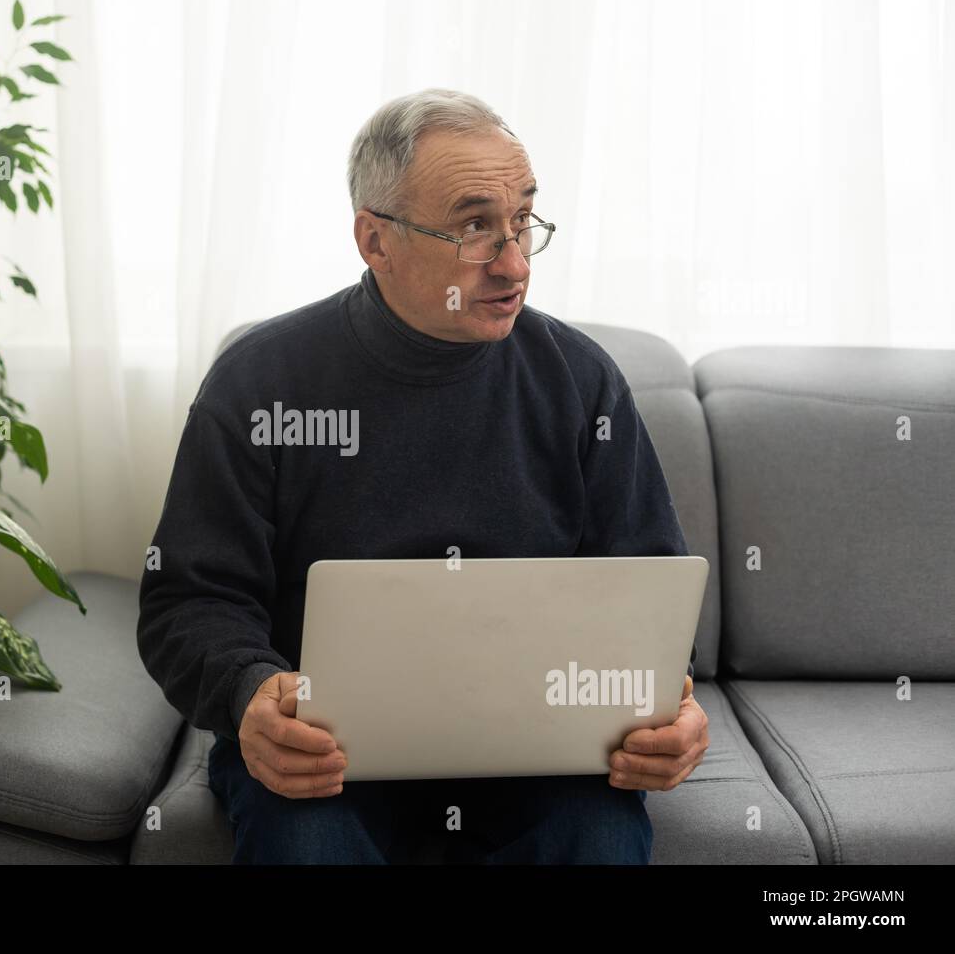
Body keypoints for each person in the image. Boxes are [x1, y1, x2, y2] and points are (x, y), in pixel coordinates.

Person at [137, 88, 710, 864]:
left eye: (523, 224)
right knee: (306, 846)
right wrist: (249, 692)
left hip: (539, 753)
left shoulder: (580, 381)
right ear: (375, 241)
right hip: (325, 755)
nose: (513, 264)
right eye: (475, 228)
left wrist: (667, 704)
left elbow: (651, 588)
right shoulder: (259, 383)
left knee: (600, 837)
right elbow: (189, 601)